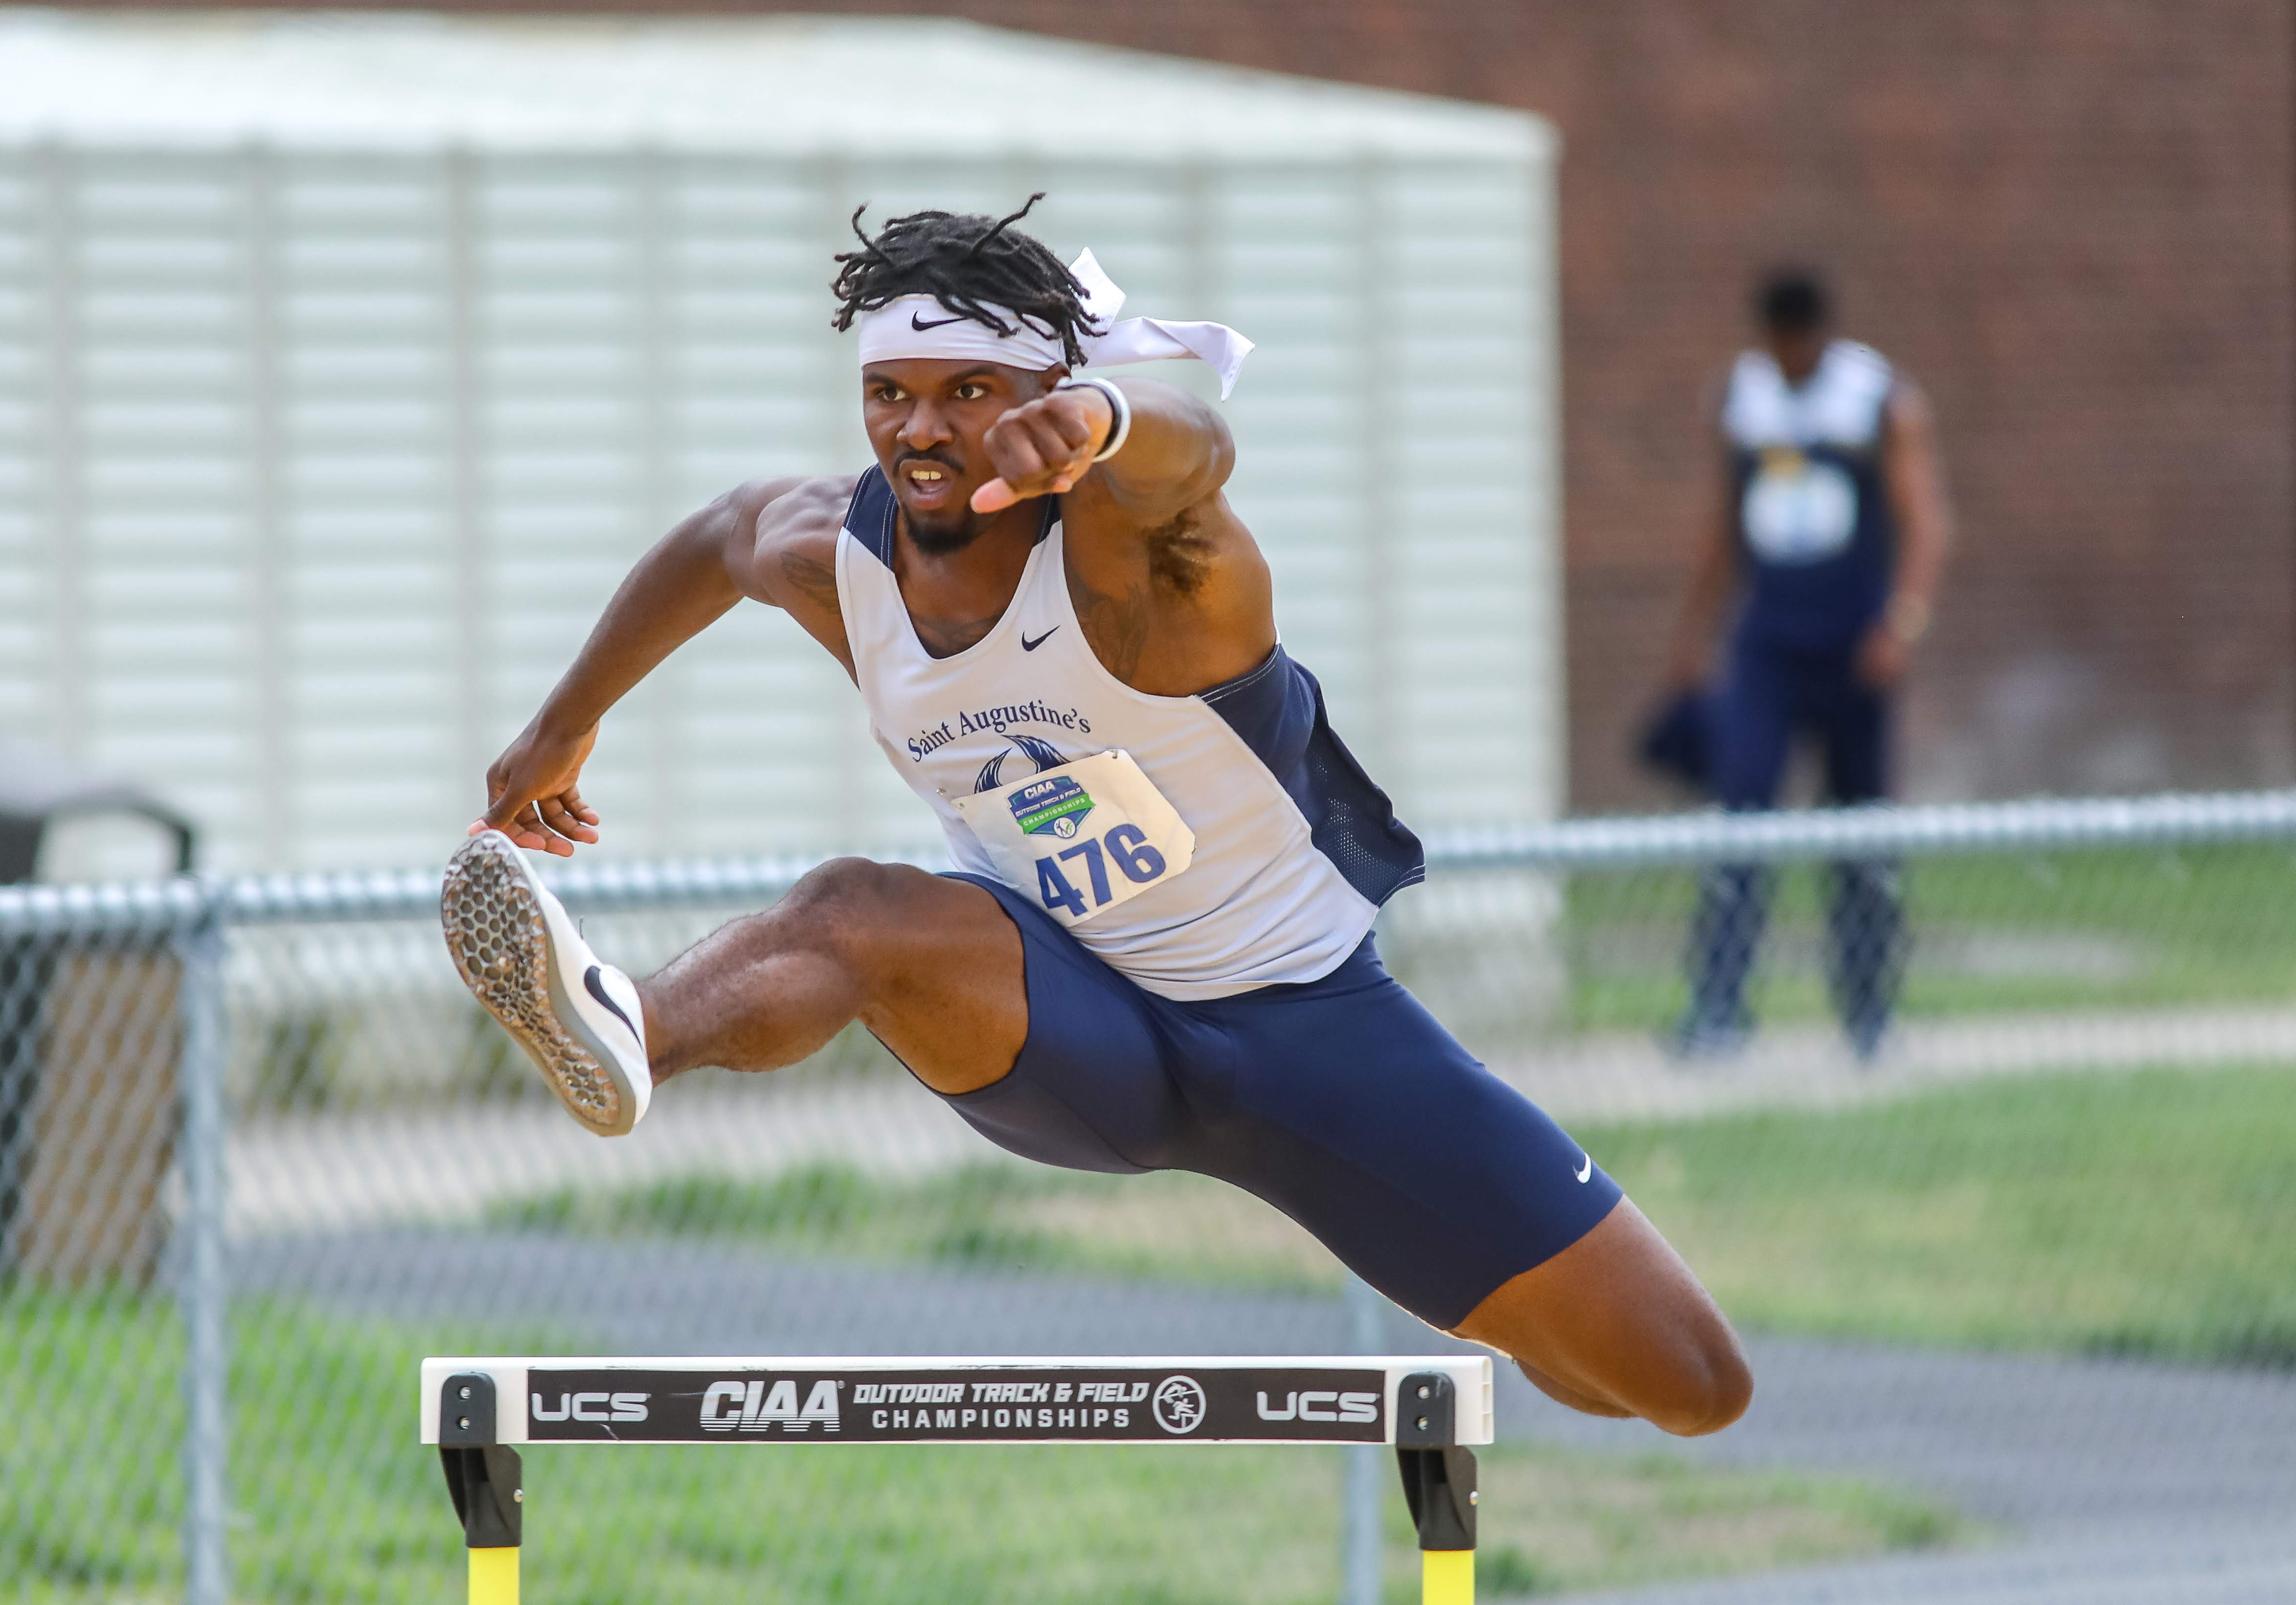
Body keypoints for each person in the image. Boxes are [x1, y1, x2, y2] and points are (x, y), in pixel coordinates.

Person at [442, 198, 1750, 1436]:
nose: (920, 430)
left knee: (1685, 1384)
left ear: (1044, 396)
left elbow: (1199, 451)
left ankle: (1489, 1280)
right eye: (890, 394)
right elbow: (717, 539)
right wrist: (564, 725)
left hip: (1305, 1029)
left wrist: (1107, 418)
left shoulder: (1144, 566)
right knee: (853, 910)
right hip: (1072, 1022)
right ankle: (629, 1028)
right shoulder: (841, 559)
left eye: (969, 392)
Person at [1659, 270, 1954, 1059]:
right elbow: (1721, 528)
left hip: (1853, 647)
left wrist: (1901, 624)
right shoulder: (1741, 399)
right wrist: (1693, 635)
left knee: (1859, 829)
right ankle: (1719, 1006)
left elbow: (1924, 522)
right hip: (1767, 646)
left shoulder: (1877, 399)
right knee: (1739, 817)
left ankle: (1867, 1012)